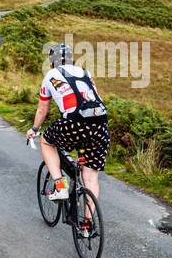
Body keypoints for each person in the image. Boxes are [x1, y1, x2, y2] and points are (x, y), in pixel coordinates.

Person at [27, 43, 110, 227]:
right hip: (100, 124)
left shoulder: (50, 75)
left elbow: (43, 109)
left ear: (52, 62)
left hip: (73, 122)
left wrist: (34, 129)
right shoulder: (85, 73)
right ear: (72, 58)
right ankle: (87, 225)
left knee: (47, 141)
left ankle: (60, 185)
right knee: (90, 177)